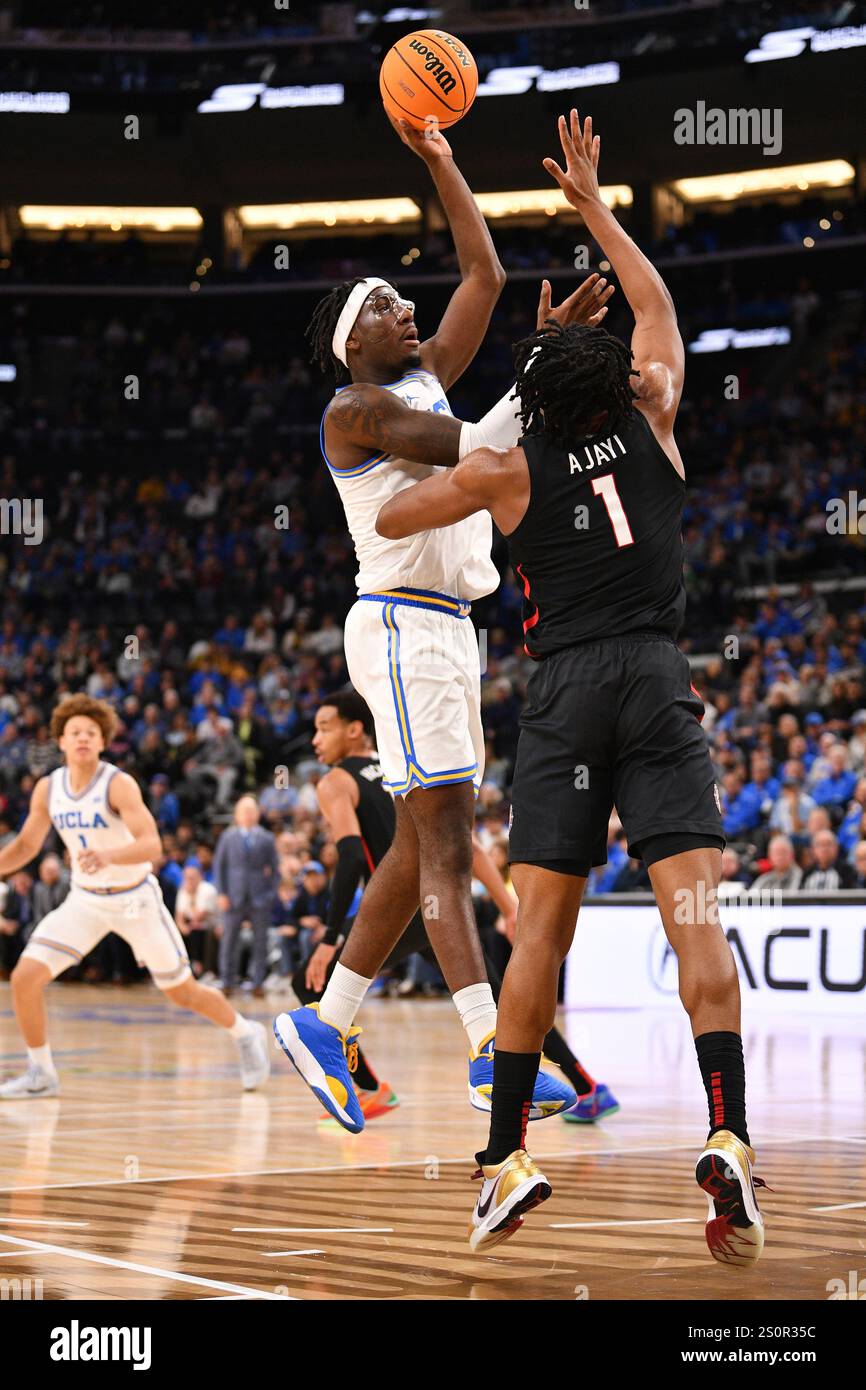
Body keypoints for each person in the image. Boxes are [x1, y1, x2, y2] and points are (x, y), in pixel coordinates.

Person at [376, 111, 765, 1266]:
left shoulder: (506, 463)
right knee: (695, 918)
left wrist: (481, 436)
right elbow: (655, 311)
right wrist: (594, 206)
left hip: (565, 693)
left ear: (538, 393)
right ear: (618, 380)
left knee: (538, 933)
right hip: (657, 680)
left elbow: (394, 512)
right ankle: (729, 1132)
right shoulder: (652, 409)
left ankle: (504, 1159)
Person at [274, 109, 612, 1132]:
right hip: (399, 625)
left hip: (443, 629)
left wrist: (443, 160)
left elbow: (484, 279)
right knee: (447, 838)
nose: (403, 308)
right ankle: (480, 1045)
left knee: (420, 842)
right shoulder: (353, 411)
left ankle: (326, 1024)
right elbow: (471, 443)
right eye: (381, 305)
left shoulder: (411, 372)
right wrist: (549, 361)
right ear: (351, 344)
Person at [282, 692, 614, 1127]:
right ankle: (587, 1086)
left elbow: (348, 859)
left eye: (323, 727)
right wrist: (508, 905)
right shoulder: (403, 770)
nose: (315, 740)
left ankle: (370, 1088)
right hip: (443, 906)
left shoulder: (335, 783)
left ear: (355, 729)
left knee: (310, 979)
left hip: (395, 910)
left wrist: (330, 939)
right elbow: (467, 846)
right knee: (498, 1001)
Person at [0, 694, 270, 1099]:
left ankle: (246, 1032)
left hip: (135, 900)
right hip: (85, 901)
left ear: (103, 741)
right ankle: (41, 1072)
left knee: (183, 993)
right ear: (61, 741)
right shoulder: (48, 789)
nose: (83, 739)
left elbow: (152, 845)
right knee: (24, 978)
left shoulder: (117, 784)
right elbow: (25, 846)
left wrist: (107, 854)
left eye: (91, 732)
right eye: (75, 733)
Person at [212, 795, 279, 996]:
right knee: (229, 940)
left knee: (261, 941)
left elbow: (275, 870)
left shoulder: (267, 838)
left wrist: (270, 894)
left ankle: (258, 981)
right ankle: (227, 980)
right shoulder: (227, 837)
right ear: (237, 815)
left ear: (257, 814)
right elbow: (219, 867)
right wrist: (222, 893)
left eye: (251, 811)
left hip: (259, 897)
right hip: (233, 895)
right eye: (244, 811)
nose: (248, 815)